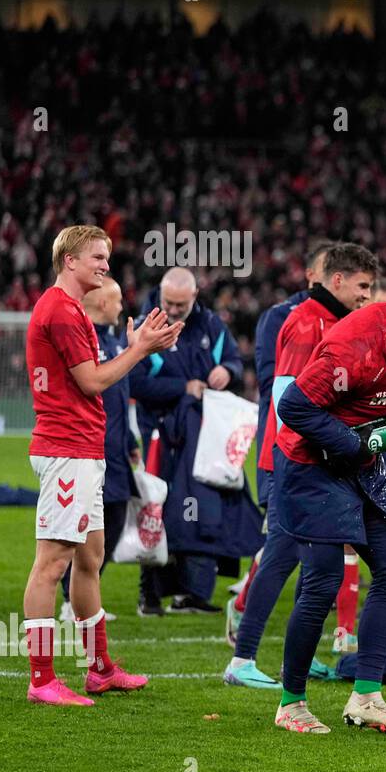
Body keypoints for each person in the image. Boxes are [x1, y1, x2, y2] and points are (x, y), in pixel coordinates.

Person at [272, 301, 386, 734]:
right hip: (311, 466)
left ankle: (366, 696)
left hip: (361, 465)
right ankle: (291, 703)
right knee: (322, 582)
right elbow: (292, 405)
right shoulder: (349, 353)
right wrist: (349, 442)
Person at [23, 225, 182, 706]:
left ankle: (100, 670)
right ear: (69, 261)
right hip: (67, 448)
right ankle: (41, 680)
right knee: (51, 565)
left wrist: (135, 349)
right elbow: (92, 382)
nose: (105, 266)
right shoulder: (63, 311)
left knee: (89, 561)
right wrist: (139, 350)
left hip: (85, 450)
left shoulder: (71, 311)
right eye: (97, 257)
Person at [224, 243, 376, 688]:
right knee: (284, 552)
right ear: (337, 280)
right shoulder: (307, 322)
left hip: (312, 457)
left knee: (308, 559)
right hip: (291, 456)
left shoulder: (336, 321)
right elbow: (284, 395)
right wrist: (325, 442)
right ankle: (242, 658)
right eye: (362, 286)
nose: (367, 296)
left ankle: (288, 658)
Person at [127, 266, 259, 613]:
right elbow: (136, 383)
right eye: (167, 302)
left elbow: (233, 358)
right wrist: (183, 388)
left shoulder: (210, 325)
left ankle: (192, 592)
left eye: (179, 305)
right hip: (158, 432)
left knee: (200, 510)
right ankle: (148, 595)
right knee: (157, 508)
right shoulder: (145, 327)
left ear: (194, 298)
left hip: (203, 434)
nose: (171, 310)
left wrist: (226, 371)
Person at [229, 242, 332, 620]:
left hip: (322, 446)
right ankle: (243, 614)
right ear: (312, 275)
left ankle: (296, 642)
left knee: (317, 547)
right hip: (286, 445)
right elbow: (278, 388)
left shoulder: (342, 319)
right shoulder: (283, 316)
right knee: (284, 543)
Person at [59, 278, 141, 622]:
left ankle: (85, 601)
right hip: (89, 453)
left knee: (112, 525)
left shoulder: (112, 339)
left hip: (116, 454)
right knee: (79, 531)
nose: (122, 306)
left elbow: (119, 401)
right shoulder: (83, 338)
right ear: (103, 304)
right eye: (117, 300)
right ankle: (70, 602)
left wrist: (131, 443)